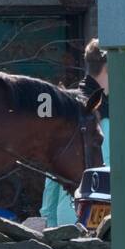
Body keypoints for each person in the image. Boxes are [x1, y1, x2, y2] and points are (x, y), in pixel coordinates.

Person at [41, 39, 109, 228]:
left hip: (70, 219)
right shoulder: (110, 114)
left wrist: (50, 224)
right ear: (108, 67)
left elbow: (51, 179)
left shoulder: (68, 108)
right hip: (90, 217)